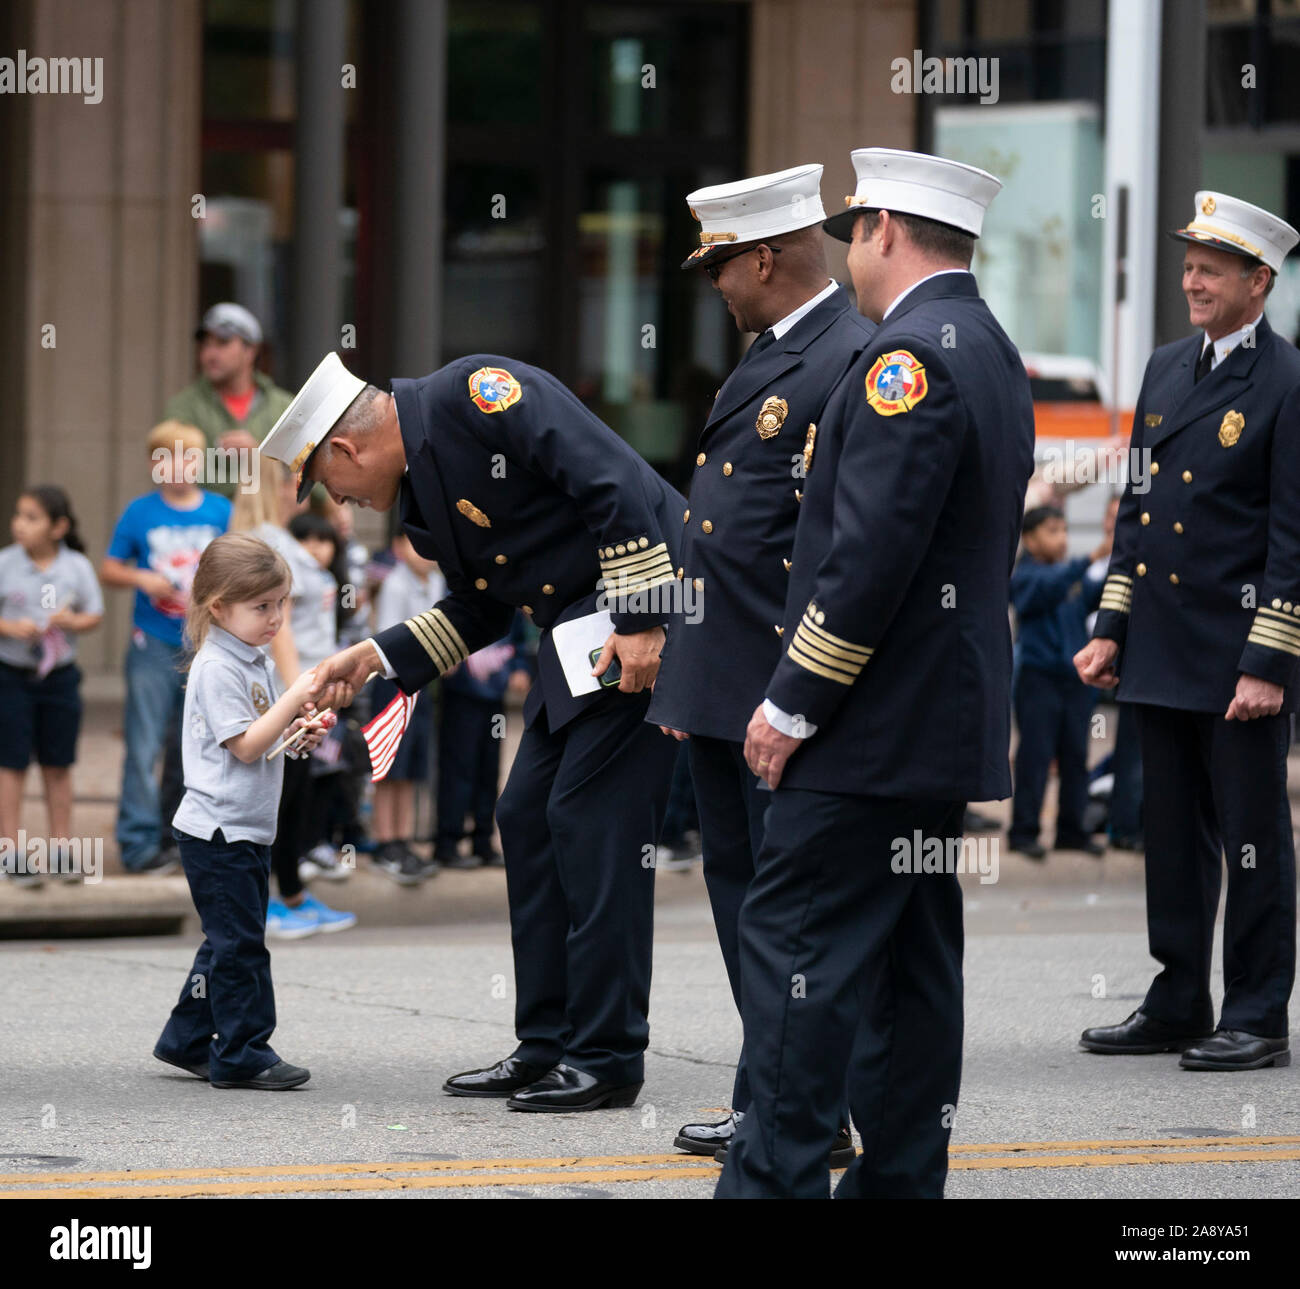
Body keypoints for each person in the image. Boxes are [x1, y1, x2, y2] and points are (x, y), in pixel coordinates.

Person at [719, 148, 1035, 1198]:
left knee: (795, 952)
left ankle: (772, 1183)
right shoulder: (982, 344)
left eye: (854, 231)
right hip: (927, 730)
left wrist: (790, 702)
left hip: (865, 731)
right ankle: (899, 1183)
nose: (848, 251)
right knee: (908, 970)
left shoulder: (909, 360)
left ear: (884, 231)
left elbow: (867, 561)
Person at [259, 350, 684, 1112]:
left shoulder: (476, 395)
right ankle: (548, 1042)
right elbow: (483, 607)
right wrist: (377, 653)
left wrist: (645, 616)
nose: (342, 502)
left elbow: (610, 478)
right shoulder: (424, 498)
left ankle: (609, 1052)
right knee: (525, 815)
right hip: (578, 643)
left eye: (330, 481)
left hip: (638, 619)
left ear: (348, 448)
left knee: (592, 820)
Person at [646, 163, 874, 1162]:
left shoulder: (848, 354)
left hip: (781, 685)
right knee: (748, 908)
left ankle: (805, 1110)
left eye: (720, 267)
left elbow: (840, 549)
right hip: (724, 678)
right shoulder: (776, 352)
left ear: (767, 258)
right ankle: (777, 1098)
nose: (714, 286)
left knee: (789, 919)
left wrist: (798, 691)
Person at [1076, 191, 1300, 1072]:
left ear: (1260, 280)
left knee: (1250, 837)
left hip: (1238, 657)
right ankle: (1178, 997)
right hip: (1160, 647)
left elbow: (1293, 539)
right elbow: (1138, 512)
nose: (1192, 279)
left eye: (1212, 267)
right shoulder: (1168, 367)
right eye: (1189, 263)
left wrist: (1270, 662)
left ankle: (1256, 1011)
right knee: (1168, 833)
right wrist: (1109, 629)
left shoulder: (1286, 380)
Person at [154, 531, 332, 1089]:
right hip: (217, 829)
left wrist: (301, 732)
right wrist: (292, 699)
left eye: (281, 603)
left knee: (226, 940)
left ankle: (184, 1041)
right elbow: (247, 746)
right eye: (262, 606)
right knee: (241, 946)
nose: (276, 617)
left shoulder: (251, 658)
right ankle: (242, 1052)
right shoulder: (218, 667)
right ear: (219, 607)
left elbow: (266, 739)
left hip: (246, 826)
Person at [228, 460, 355, 936]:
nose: (296, 490)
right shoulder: (270, 542)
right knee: (283, 799)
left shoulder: (271, 538)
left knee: (290, 796)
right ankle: (274, 900)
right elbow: (277, 628)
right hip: (291, 687)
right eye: (289, 481)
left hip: (298, 684)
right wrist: (300, 693)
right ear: (273, 487)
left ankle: (289, 894)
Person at [101, 422, 231, 873]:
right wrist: (141, 578)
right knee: (143, 742)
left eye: (187, 457)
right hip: (152, 640)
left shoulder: (220, 510)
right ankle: (137, 846)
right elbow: (109, 567)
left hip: (204, 643)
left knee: (191, 743)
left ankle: (176, 837)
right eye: (167, 458)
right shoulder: (140, 512)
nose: (178, 467)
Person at [0, 486, 103, 886]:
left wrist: (70, 622)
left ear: (58, 527)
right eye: (18, 515)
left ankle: (61, 849)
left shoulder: (75, 566)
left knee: (58, 763)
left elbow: (94, 614)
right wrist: (10, 628)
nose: (19, 525)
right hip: (11, 676)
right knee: (11, 765)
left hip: (59, 678)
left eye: (31, 517)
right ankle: (10, 850)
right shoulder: (6, 563)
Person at [1007, 505, 1110, 860]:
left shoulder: (1073, 578)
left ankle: (1072, 830)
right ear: (1030, 538)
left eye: (1065, 530)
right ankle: (1023, 832)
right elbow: (1051, 587)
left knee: (1075, 756)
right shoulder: (1025, 576)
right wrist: (1091, 557)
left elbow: (1098, 593)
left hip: (1074, 682)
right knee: (1035, 757)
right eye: (1053, 531)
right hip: (1038, 679)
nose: (1062, 538)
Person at [368, 531, 446, 884]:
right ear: (398, 548)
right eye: (416, 545)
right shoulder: (395, 585)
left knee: (412, 765)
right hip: (393, 685)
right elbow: (389, 644)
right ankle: (386, 842)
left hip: (423, 684)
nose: (425, 554)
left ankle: (404, 838)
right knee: (389, 766)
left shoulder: (437, 581)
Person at [163, 303, 293, 498]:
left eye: (222, 343)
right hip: (207, 526)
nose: (210, 354)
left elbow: (310, 477)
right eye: (205, 345)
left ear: (251, 351)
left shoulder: (283, 406)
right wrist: (267, 471)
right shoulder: (183, 407)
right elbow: (180, 473)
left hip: (272, 524)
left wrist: (259, 454)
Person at [435, 612, 533, 869]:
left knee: (489, 771)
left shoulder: (511, 603)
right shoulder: (460, 590)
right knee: (458, 770)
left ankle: (483, 841)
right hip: (461, 696)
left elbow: (519, 644)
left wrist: (521, 669)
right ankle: (447, 843)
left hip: (494, 698)